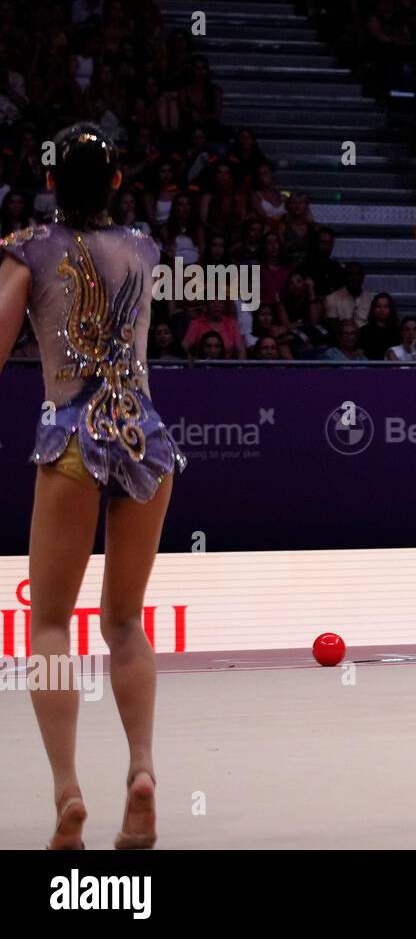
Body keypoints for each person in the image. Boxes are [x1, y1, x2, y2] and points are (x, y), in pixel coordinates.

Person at [0, 123, 186, 849]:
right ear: (115, 183)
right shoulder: (144, 248)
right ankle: (141, 772)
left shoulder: (29, 248)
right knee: (125, 622)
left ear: (50, 182)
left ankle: (68, 793)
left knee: (50, 624)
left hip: (73, 439)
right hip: (146, 440)